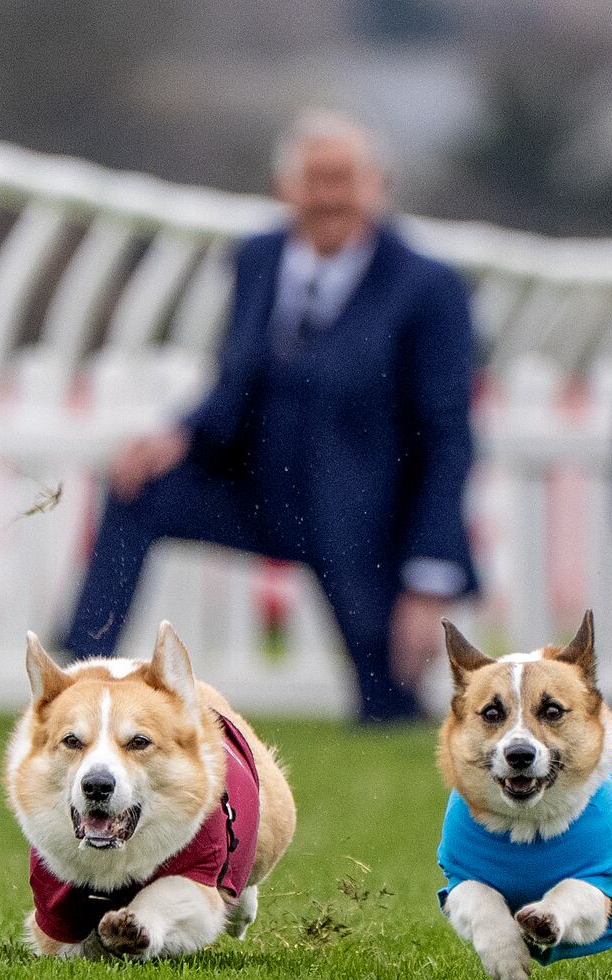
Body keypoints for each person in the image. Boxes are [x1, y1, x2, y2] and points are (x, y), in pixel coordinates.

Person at [65, 112, 478, 722]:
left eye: (345, 179)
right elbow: (236, 381)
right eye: (314, 179)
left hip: (363, 520)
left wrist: (428, 579)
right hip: (254, 492)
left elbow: (446, 435)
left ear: (378, 187)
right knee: (137, 490)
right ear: (283, 187)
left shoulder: (430, 287)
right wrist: (175, 437)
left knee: (387, 704)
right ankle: (77, 686)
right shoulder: (256, 258)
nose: (330, 197)